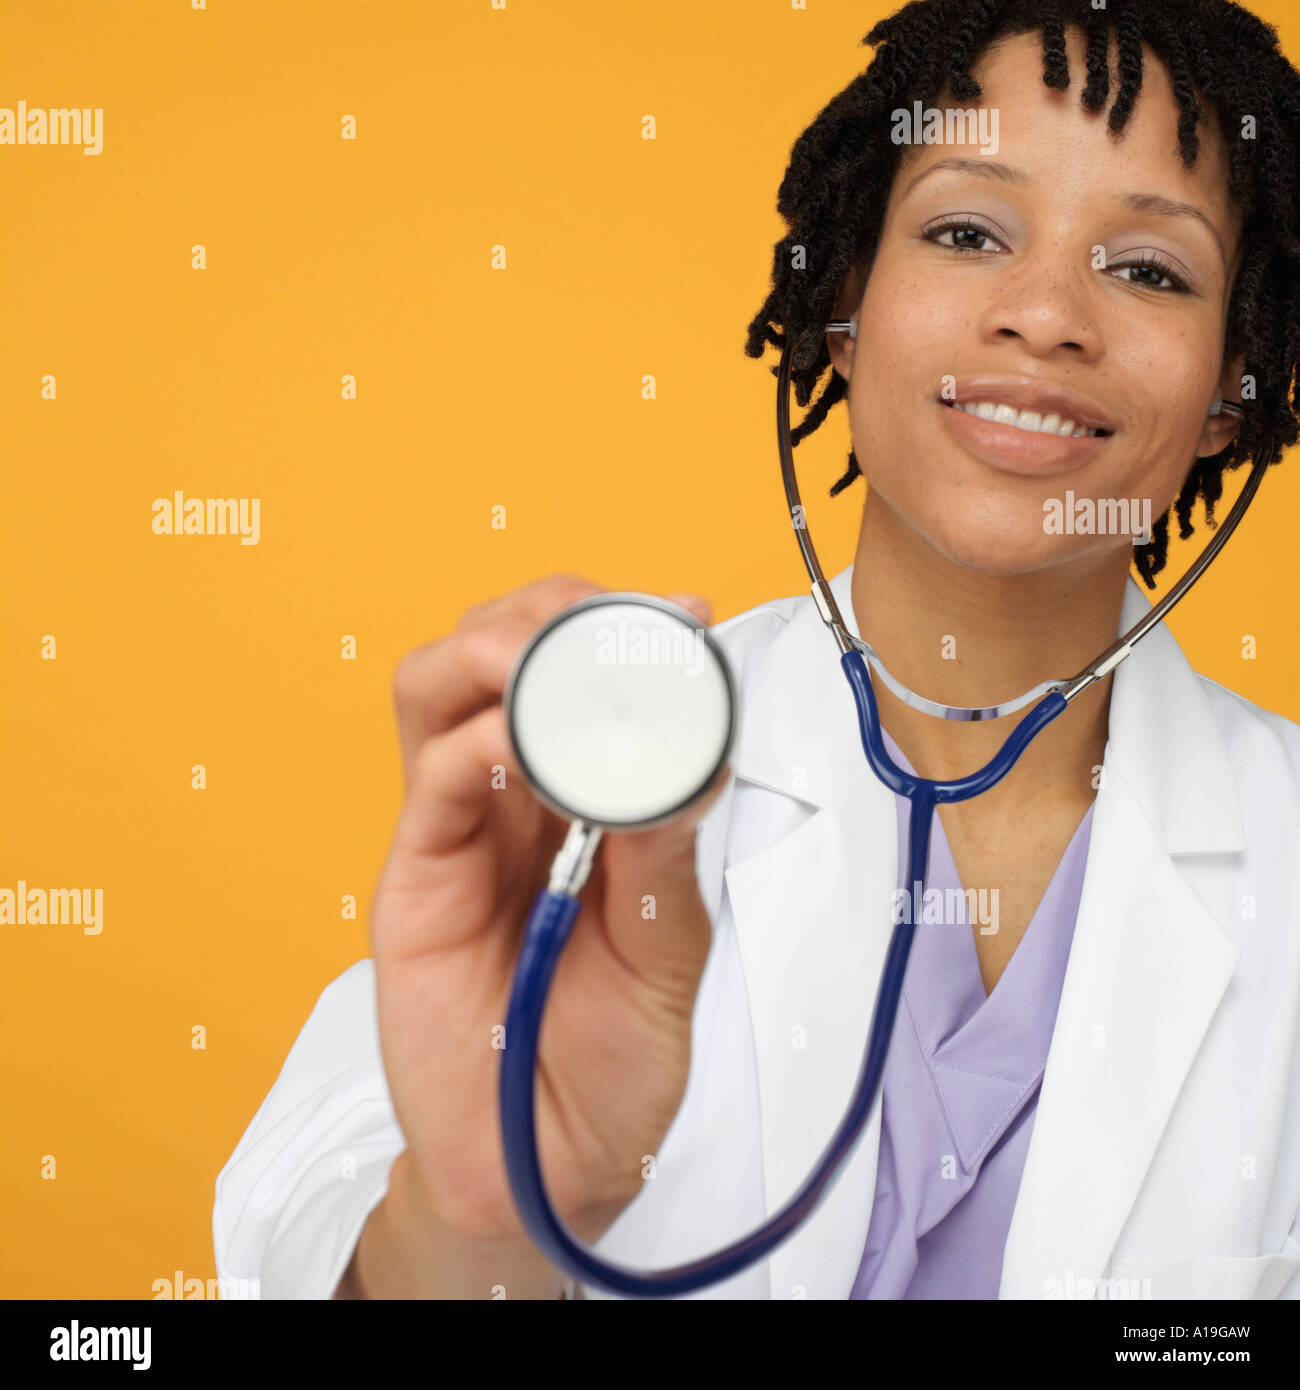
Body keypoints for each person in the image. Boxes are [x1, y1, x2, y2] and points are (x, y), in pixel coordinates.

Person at [213, 0, 1300, 1300]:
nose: (1047, 312)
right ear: (842, 302)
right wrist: (485, 1221)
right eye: (966, 231)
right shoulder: (597, 778)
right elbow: (295, 1235)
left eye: (1150, 269)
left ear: (1236, 388)